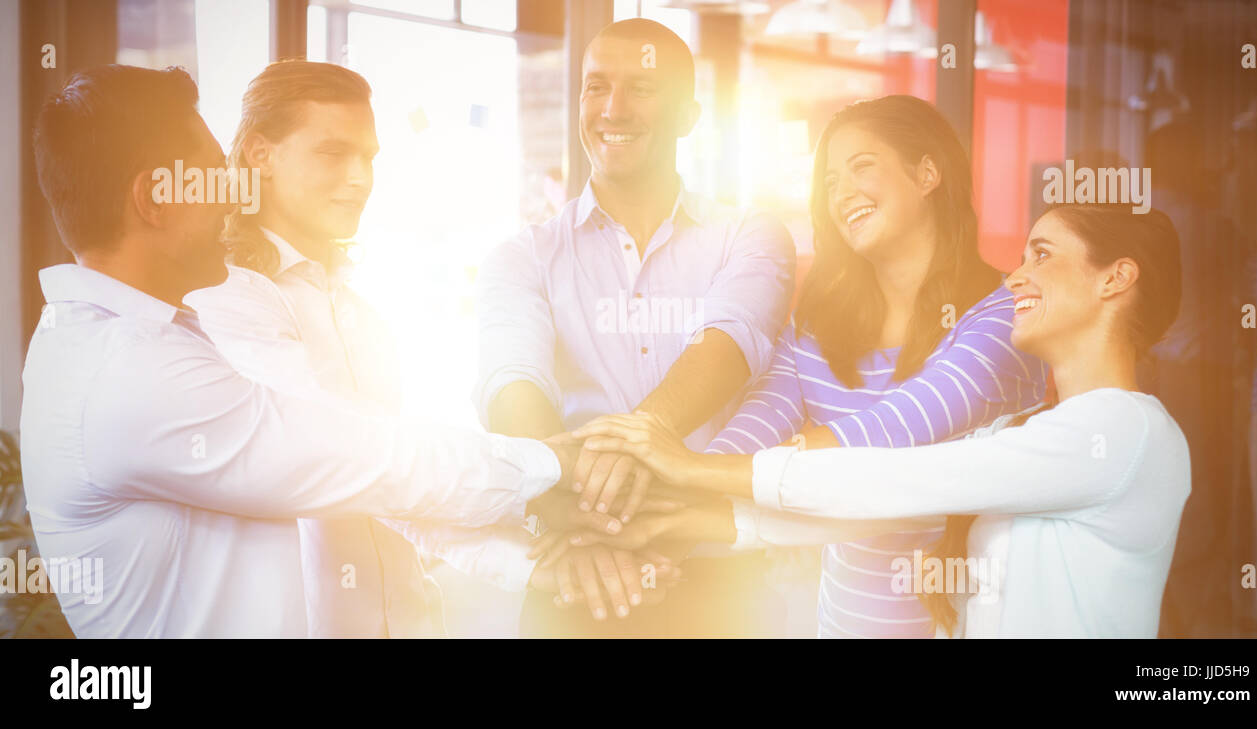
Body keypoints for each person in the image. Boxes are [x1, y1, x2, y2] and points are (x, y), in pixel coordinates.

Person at [19, 64, 585, 638]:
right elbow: (356, 459)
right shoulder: (132, 367)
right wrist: (559, 466)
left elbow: (372, 469)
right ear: (154, 200)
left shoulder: (152, 337)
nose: (232, 192)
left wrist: (535, 546)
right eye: (217, 178)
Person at [184, 60, 656, 637]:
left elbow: (401, 486)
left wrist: (540, 561)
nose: (360, 178)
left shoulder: (359, 314)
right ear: (260, 154)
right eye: (333, 154)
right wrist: (549, 477)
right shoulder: (230, 301)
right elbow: (351, 459)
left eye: (369, 157)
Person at [547, 96, 1048, 638]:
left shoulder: (1005, 318)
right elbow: (753, 431)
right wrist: (624, 524)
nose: (842, 194)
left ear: (927, 173)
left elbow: (896, 431)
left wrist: (681, 467)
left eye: (862, 167)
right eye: (830, 182)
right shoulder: (819, 323)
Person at [572, 203, 1192, 638]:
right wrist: (692, 521)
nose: (1015, 275)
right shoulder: (1025, 431)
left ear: (1117, 277)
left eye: (1043, 253)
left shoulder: (1126, 434)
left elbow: (899, 479)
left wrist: (693, 467)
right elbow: (889, 512)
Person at [476, 18, 795, 635]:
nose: (612, 109)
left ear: (688, 114)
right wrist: (578, 522)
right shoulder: (522, 257)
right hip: (576, 575)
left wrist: (630, 449)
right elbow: (512, 385)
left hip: (719, 585)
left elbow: (727, 346)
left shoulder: (750, 236)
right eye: (596, 87)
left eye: (641, 89)